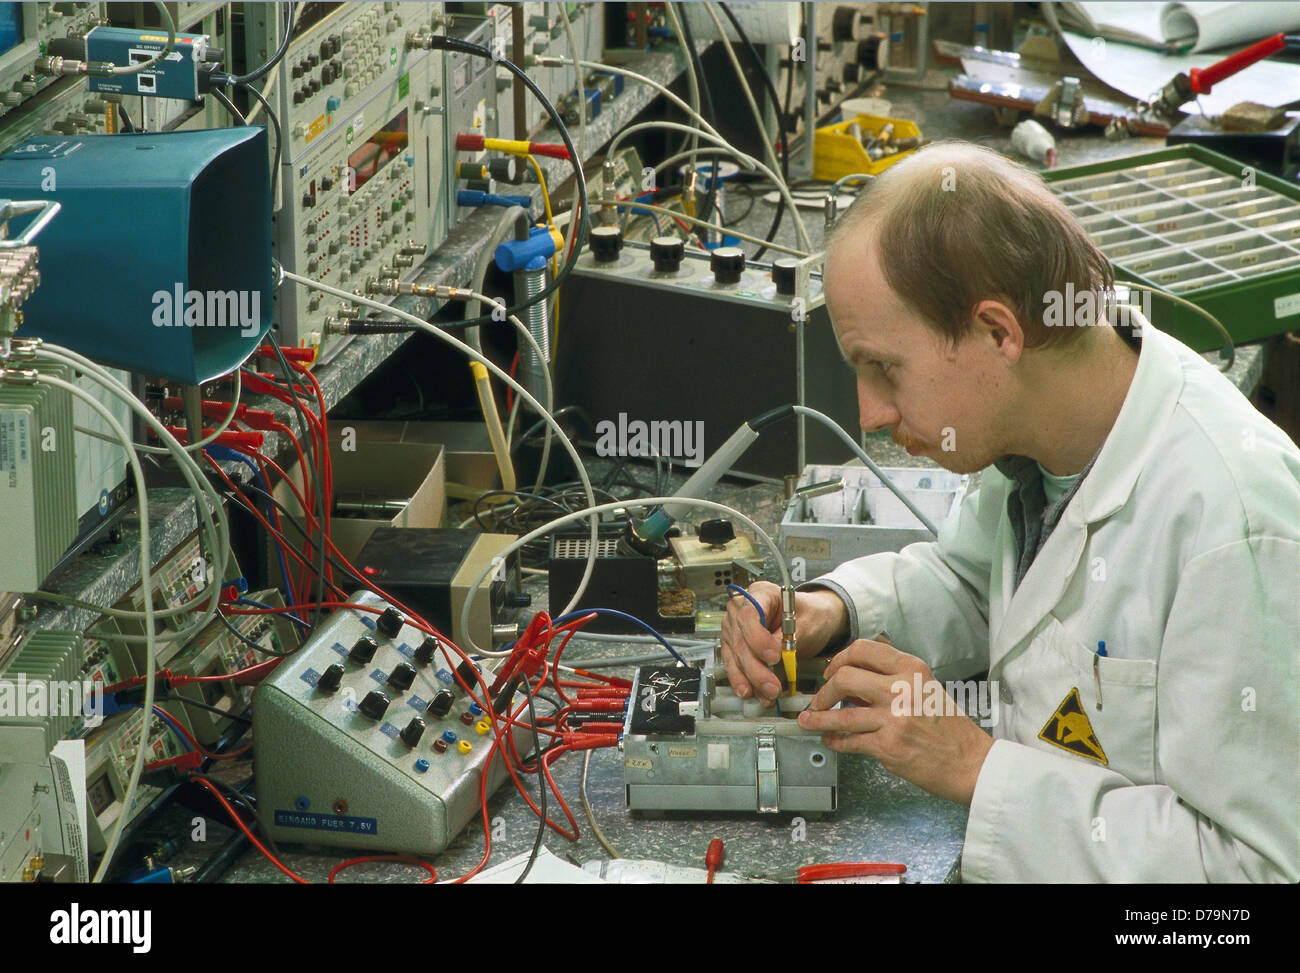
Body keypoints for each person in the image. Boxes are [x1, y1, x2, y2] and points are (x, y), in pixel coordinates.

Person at [721, 141, 1299, 882]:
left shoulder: (1233, 519)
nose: (868, 413)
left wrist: (975, 768)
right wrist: (831, 609)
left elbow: (1253, 874)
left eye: (883, 367)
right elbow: (983, 587)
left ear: (999, 331)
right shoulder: (1044, 434)